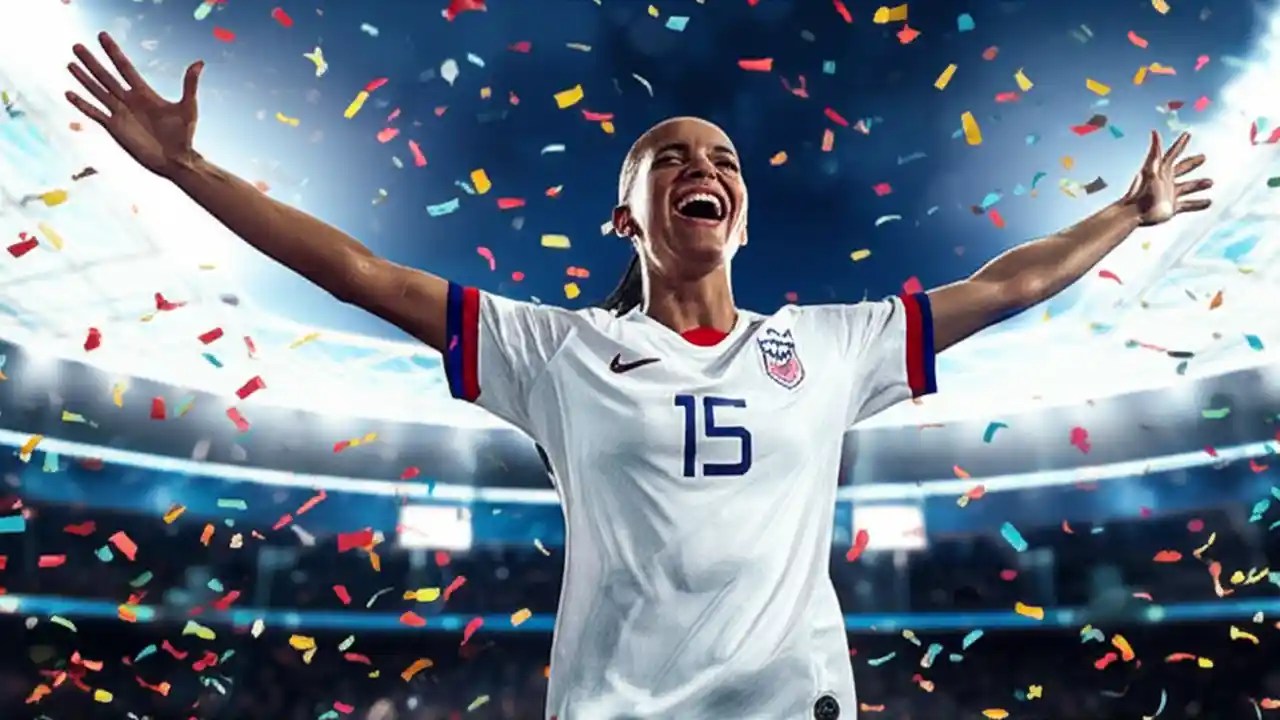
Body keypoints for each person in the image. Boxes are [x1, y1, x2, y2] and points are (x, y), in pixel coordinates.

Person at [65, 33, 1212, 720]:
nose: (704, 168)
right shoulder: (553, 353)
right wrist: (189, 170)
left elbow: (1004, 286)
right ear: (628, 213)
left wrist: (1128, 209)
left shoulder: (827, 344)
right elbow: (359, 273)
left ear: (742, 215)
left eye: (723, 160)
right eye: (673, 158)